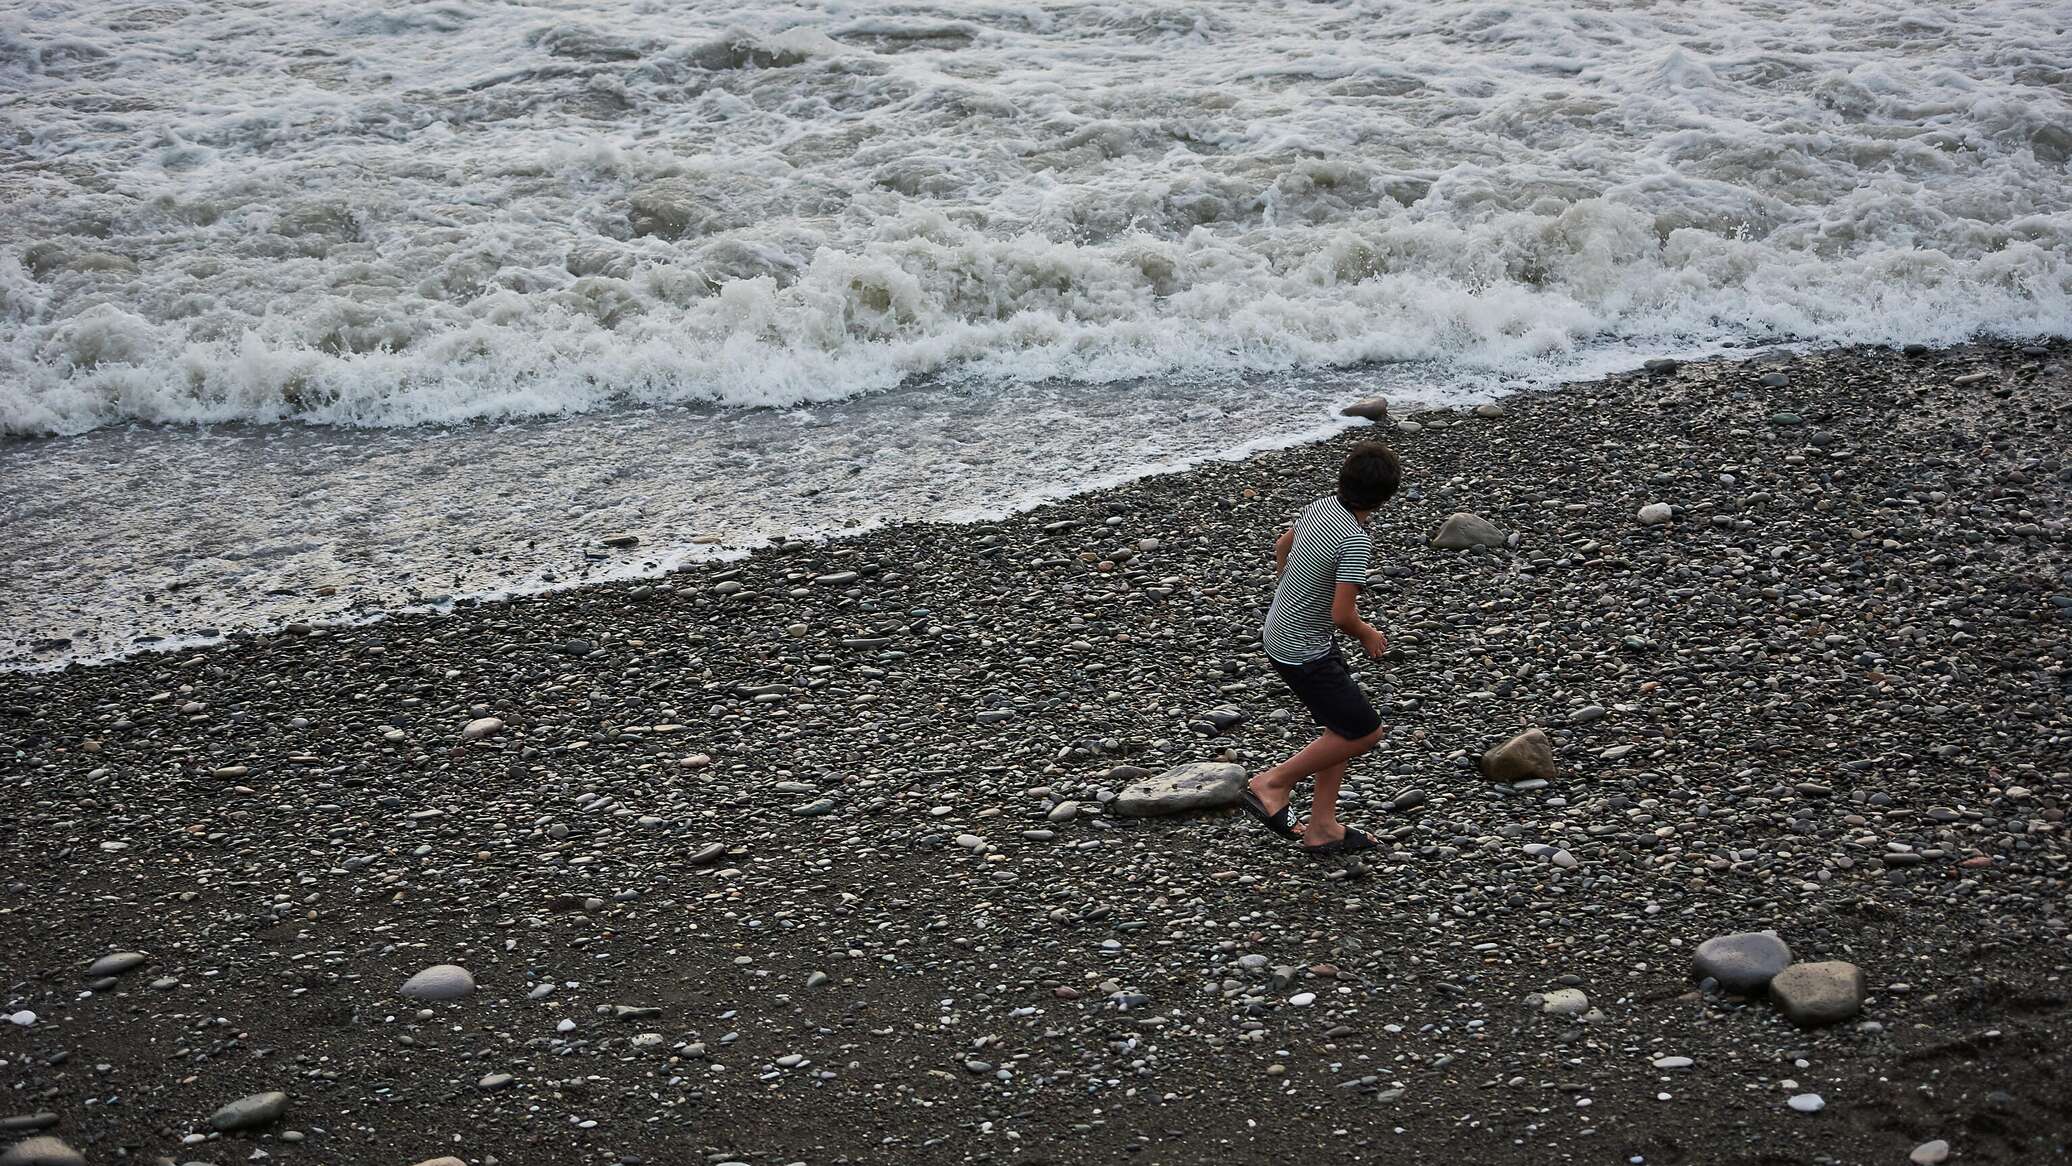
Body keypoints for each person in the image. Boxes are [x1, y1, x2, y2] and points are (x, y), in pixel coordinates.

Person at [1241, 440, 1399, 856]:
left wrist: (1292, 590)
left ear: (1343, 479)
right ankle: (1272, 782)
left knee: (1340, 727)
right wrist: (1366, 633)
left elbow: (1282, 546)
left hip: (1280, 632)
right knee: (1365, 732)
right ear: (1386, 497)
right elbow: (1341, 615)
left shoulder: (1320, 506)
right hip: (1304, 651)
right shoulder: (1355, 541)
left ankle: (1322, 826)